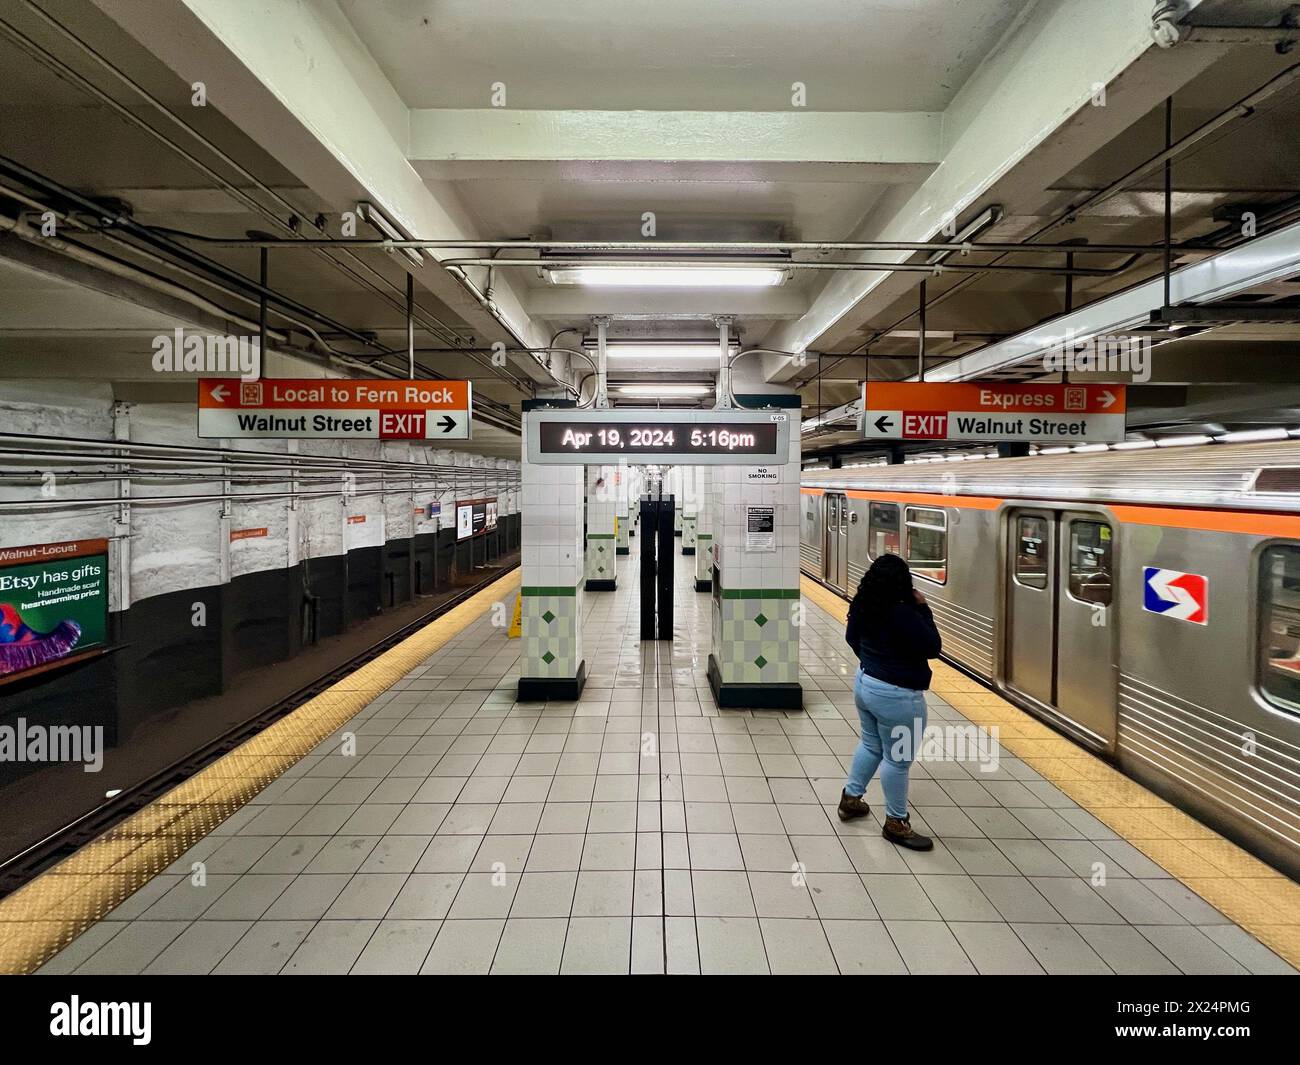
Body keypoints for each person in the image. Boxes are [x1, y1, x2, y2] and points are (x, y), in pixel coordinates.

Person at [837, 552, 941, 850]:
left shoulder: (863, 603)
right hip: (898, 695)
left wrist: (873, 661)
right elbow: (933, 647)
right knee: (898, 760)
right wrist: (924, 609)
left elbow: (851, 638)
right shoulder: (903, 612)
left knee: (871, 744)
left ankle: (851, 799)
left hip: (865, 682)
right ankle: (896, 822)